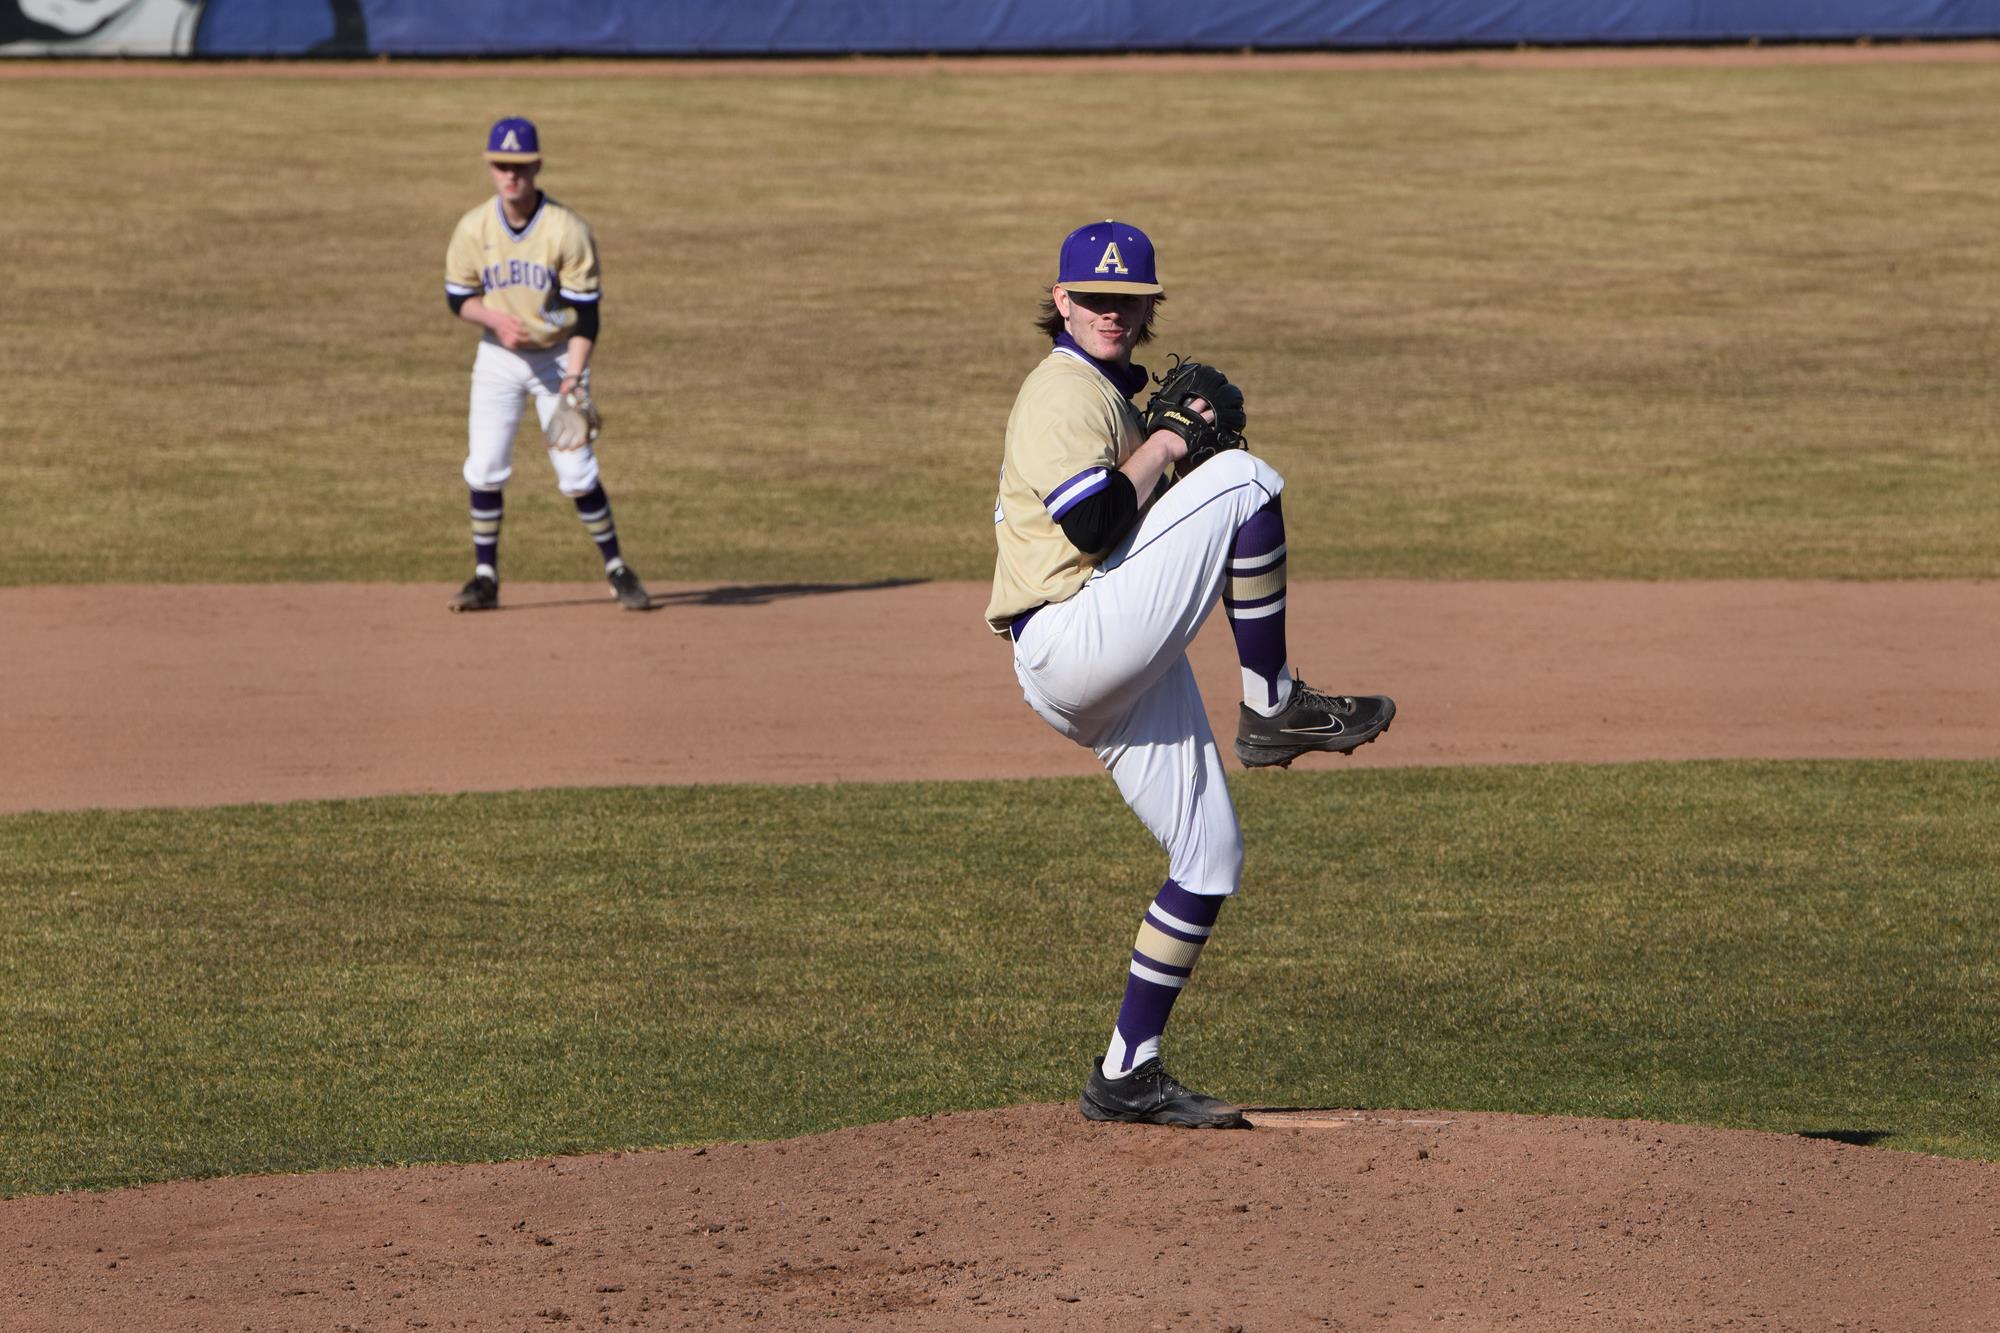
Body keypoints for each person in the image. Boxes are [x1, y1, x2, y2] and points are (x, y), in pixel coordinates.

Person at [986, 220, 1396, 1128]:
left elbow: (1140, 535)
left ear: (1148, 306)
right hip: (1070, 633)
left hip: (1105, 651)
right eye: (1093, 299)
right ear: (1059, 302)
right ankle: (1273, 704)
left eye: (1128, 301)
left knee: (1209, 856)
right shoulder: (1060, 391)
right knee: (1249, 481)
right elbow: (1092, 528)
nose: (1112, 314)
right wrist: (1172, 446)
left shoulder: (1113, 395)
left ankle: (1126, 1069)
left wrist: (1164, 451)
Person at [442, 116, 652, 612]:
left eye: (518, 165)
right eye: (501, 166)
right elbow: (458, 299)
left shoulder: (567, 231)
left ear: (536, 165)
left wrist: (572, 383)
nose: (510, 175)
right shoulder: (473, 228)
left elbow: (588, 317)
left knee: (577, 473)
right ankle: (485, 577)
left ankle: (617, 568)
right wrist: (492, 317)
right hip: (498, 359)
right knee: (485, 468)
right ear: (490, 168)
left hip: (559, 359)